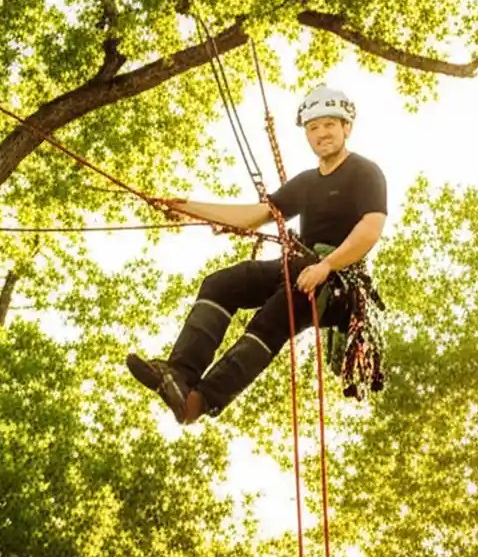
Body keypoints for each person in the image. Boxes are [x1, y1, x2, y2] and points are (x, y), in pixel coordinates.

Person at [126, 85, 388, 424]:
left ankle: (199, 402)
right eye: (314, 127)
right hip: (301, 267)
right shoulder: (307, 182)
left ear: (345, 127)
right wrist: (188, 208)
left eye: (329, 125)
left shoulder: (365, 173)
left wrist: (327, 266)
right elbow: (255, 214)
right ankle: (179, 375)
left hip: (337, 282)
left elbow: (371, 228)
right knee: (222, 284)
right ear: (307, 134)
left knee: (275, 314)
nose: (322, 133)